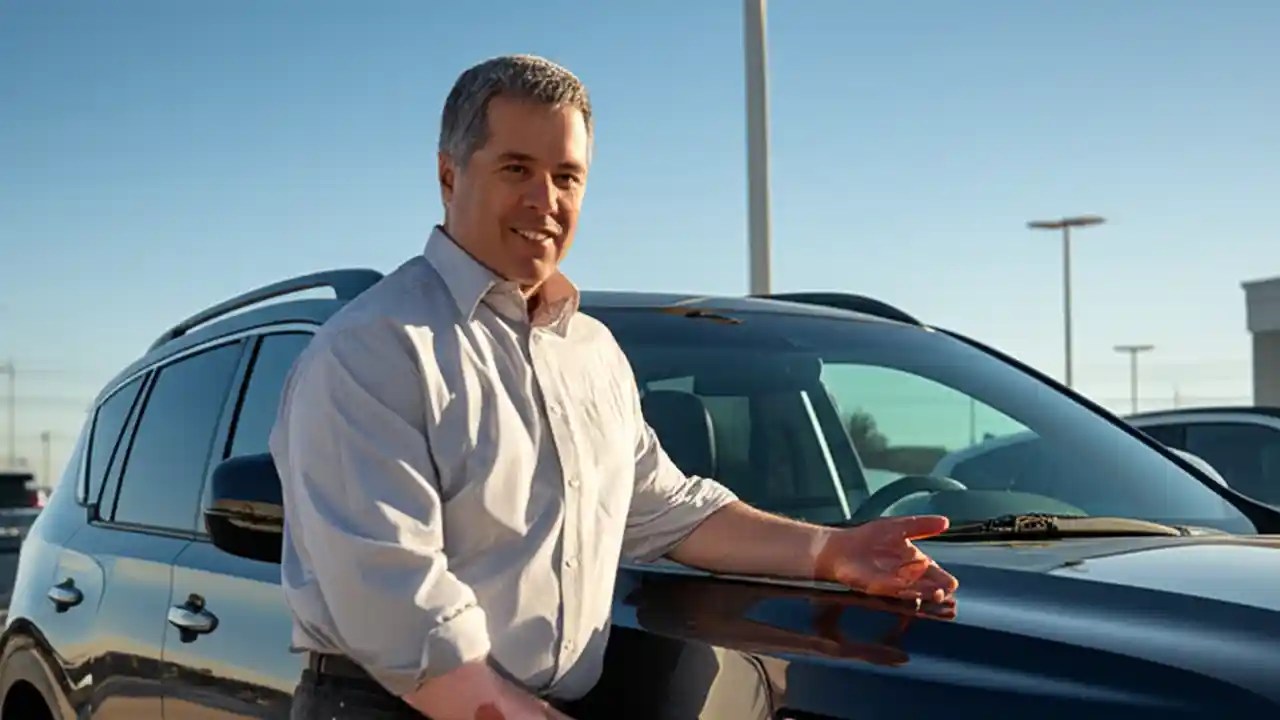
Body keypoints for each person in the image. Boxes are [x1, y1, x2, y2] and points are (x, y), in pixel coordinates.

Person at [269, 53, 959, 720]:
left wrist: (832, 552)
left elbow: (667, 508)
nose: (546, 202)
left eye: (568, 177)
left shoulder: (590, 352)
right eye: (517, 169)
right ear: (449, 176)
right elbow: (399, 610)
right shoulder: (376, 348)